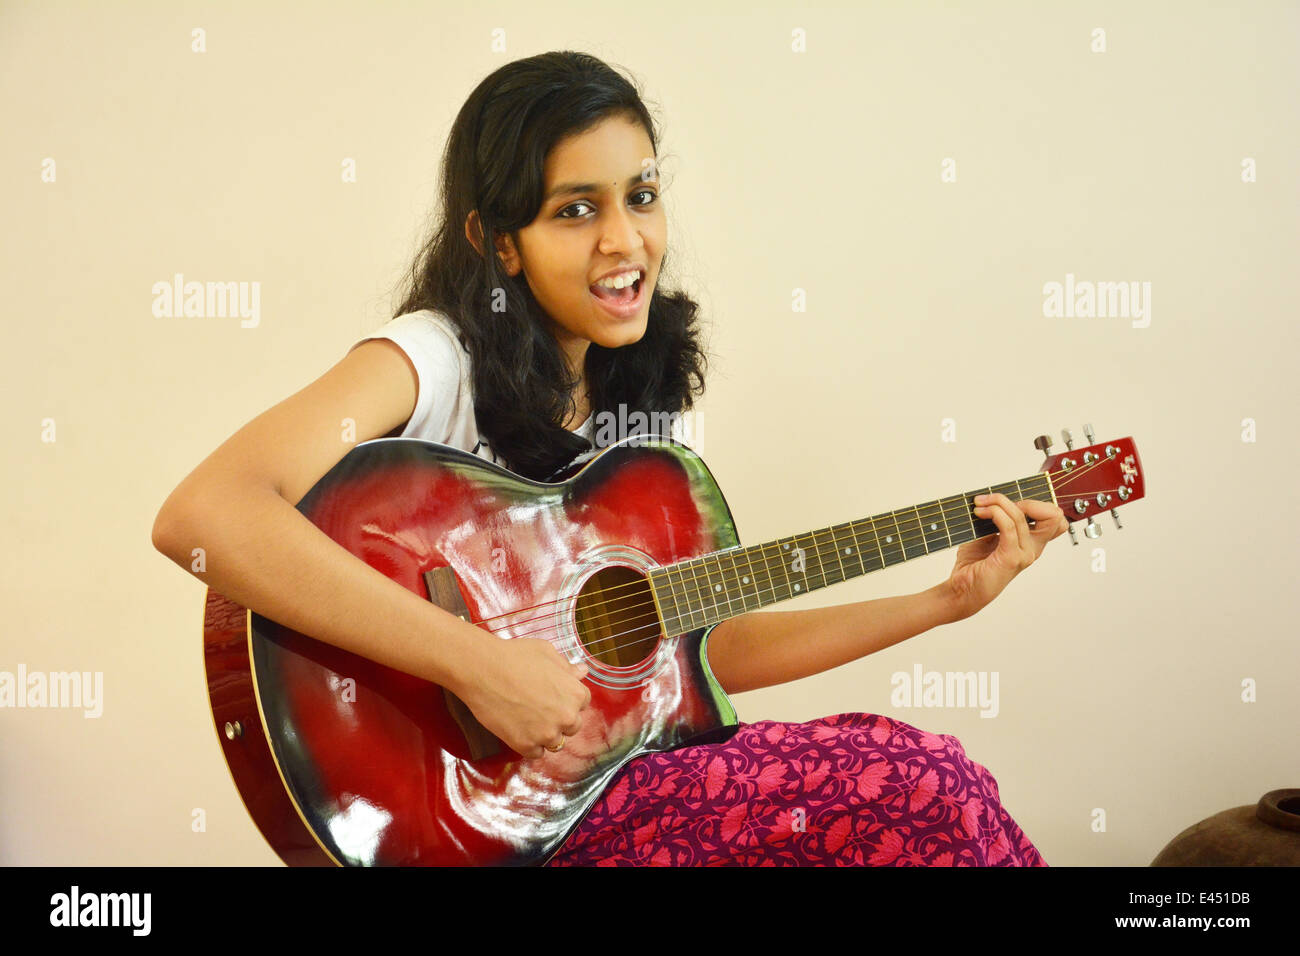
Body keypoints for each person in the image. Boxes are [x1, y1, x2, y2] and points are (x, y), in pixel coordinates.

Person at [152, 50, 1069, 866]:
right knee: (922, 785)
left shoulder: (635, 398)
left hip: (615, 789)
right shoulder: (435, 357)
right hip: (484, 818)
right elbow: (207, 514)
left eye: (640, 194)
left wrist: (942, 603)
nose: (626, 240)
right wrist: (477, 665)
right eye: (575, 210)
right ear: (495, 241)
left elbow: (694, 651)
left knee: (937, 785)